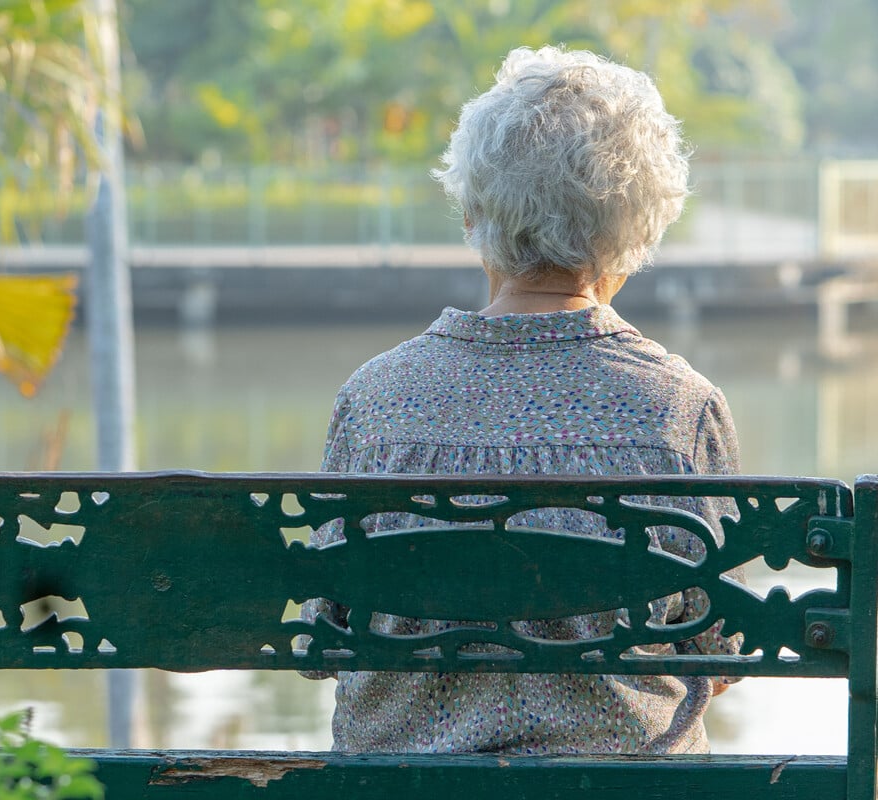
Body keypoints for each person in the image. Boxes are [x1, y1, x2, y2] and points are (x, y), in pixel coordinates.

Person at [301, 46, 742, 755]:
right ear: (639, 229)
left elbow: (328, 632)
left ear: (474, 209)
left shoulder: (374, 401)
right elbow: (722, 643)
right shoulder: (676, 409)